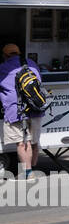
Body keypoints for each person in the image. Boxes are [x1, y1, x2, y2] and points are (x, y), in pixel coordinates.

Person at [0, 43, 43, 181]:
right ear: (18, 53)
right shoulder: (31, 64)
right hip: (35, 108)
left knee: (22, 143)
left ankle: (28, 173)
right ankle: (33, 169)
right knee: (34, 142)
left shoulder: (3, 67)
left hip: (16, 110)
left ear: (5, 55)